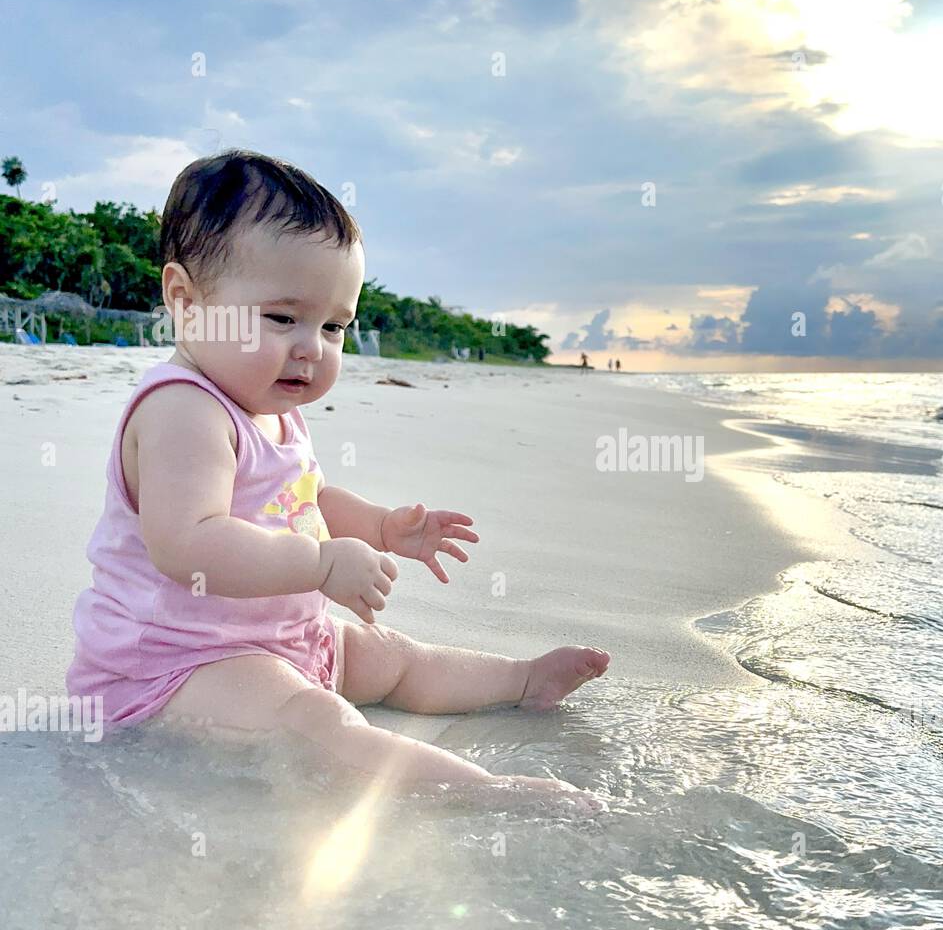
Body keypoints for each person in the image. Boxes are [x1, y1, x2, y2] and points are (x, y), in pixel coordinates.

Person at [64, 150, 609, 814]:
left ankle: (522, 680)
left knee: (395, 657)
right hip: (173, 669)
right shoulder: (183, 410)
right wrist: (321, 563)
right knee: (317, 721)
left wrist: (381, 526)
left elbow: (306, 500)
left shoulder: (272, 410)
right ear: (184, 299)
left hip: (282, 638)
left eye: (332, 326)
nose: (312, 347)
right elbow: (189, 542)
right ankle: (484, 793)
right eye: (281, 318)